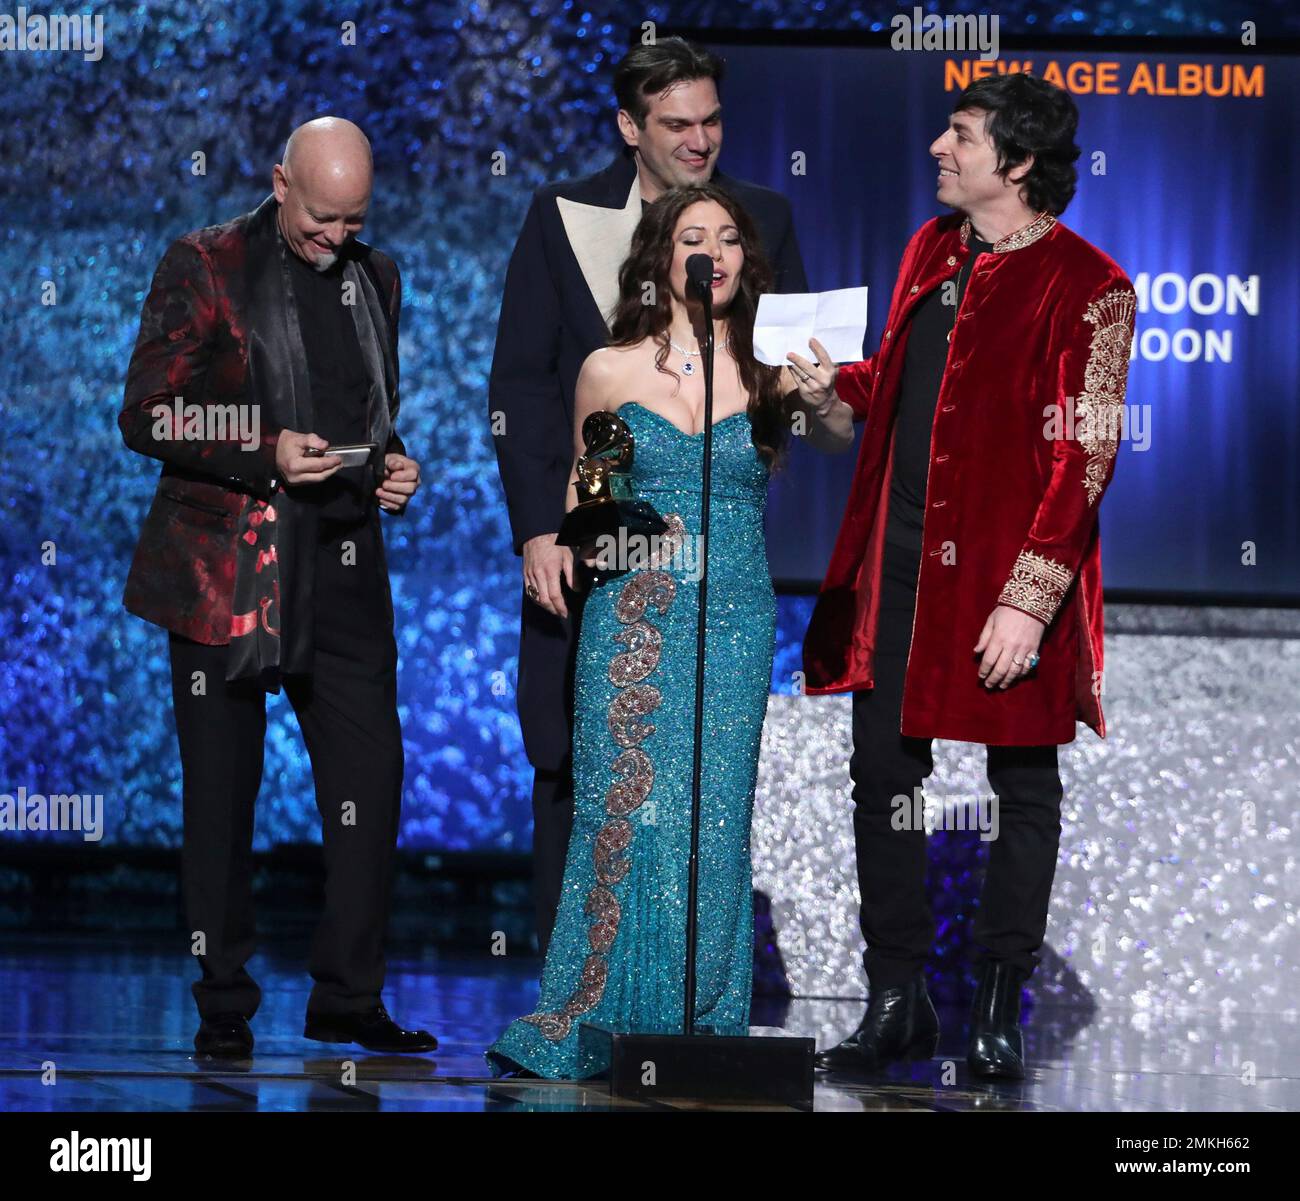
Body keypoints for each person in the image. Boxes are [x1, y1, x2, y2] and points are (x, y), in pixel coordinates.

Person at [804, 73, 1136, 1081]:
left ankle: (998, 1003)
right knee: (882, 778)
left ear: (1017, 162)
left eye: (960, 135)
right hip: (901, 563)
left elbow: (1085, 457)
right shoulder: (929, 249)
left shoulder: (1092, 286)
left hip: (1008, 579)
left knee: (1023, 785)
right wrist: (831, 386)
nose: (938, 149)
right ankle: (895, 1000)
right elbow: (900, 379)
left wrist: (1029, 602)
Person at [486, 183, 852, 1078]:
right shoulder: (609, 369)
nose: (713, 252)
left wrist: (826, 396)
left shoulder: (771, 368)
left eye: (729, 238)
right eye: (695, 236)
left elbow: (838, 434)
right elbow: (586, 492)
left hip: (734, 615)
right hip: (635, 615)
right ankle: (595, 1008)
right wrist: (588, 539)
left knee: (714, 815)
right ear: (661, 254)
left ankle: (702, 1016)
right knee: (626, 807)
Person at [118, 117, 436, 1059]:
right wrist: (265, 451)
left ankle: (348, 994)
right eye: (322, 218)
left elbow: (366, 408)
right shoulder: (206, 263)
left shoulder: (378, 277)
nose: (337, 237)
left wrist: (392, 464)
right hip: (230, 567)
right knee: (222, 794)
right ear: (280, 182)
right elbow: (149, 411)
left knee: (371, 783)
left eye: (354, 220)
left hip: (344, 564)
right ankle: (223, 998)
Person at [488, 36, 808, 956]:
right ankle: (574, 985)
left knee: (702, 772)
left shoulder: (761, 218)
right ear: (631, 127)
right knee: (573, 754)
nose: (699, 141)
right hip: (591, 542)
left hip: (713, 558)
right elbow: (522, 384)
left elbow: (790, 372)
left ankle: (679, 984)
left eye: (712, 121)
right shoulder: (561, 216)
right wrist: (539, 529)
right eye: (676, 124)